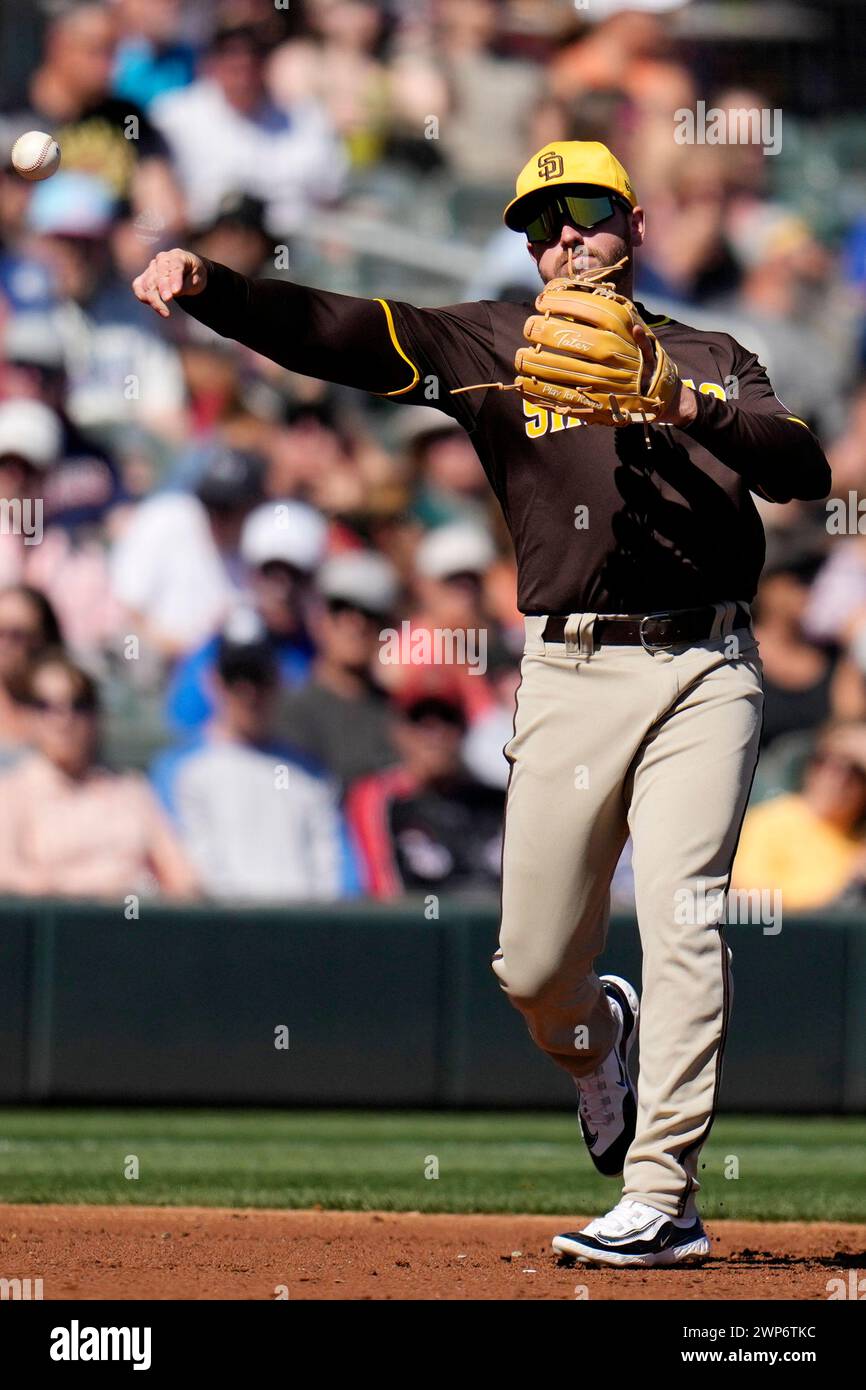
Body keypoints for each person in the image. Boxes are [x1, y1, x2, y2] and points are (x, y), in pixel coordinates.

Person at [131, 137, 831, 1267]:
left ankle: (662, 1194)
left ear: (634, 222)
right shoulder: (491, 341)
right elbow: (338, 331)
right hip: (566, 670)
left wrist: (681, 402)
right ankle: (596, 1038)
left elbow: (799, 464)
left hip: (704, 664)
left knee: (684, 916)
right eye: (538, 221)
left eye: (585, 211)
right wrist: (215, 289)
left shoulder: (709, 352)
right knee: (530, 967)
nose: (562, 235)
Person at [152, 638, 352, 903]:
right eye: (235, 678)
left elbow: (333, 869)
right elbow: (194, 873)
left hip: (307, 930)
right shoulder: (178, 771)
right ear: (214, 682)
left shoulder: (310, 774)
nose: (248, 693)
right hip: (223, 930)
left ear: (278, 681)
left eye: (259, 678)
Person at [0, 652, 198, 900]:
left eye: (78, 705)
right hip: (58, 930)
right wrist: (104, 883)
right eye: (46, 706)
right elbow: (7, 876)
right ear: (29, 715)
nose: (64, 719)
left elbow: (182, 877)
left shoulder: (132, 790)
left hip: (135, 928)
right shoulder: (11, 792)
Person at [346, 673, 504, 899]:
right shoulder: (379, 797)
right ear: (399, 731)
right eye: (420, 721)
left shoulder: (492, 802)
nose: (435, 735)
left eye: (447, 719)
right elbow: (384, 892)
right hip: (414, 929)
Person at [278, 549, 399, 789]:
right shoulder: (289, 713)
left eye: (370, 613)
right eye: (341, 608)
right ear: (317, 618)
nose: (356, 623)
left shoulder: (402, 714)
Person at [732, 723, 866, 912]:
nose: (837, 778)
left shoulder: (860, 839)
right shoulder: (772, 820)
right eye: (825, 760)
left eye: (856, 771)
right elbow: (751, 899)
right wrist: (843, 887)